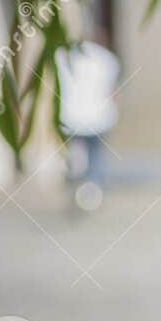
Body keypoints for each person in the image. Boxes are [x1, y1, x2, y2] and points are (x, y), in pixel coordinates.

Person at [54, 38, 120, 212]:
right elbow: (112, 90)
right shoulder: (106, 59)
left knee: (74, 155)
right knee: (95, 157)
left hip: (70, 117)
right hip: (98, 117)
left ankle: (77, 186)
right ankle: (92, 191)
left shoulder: (63, 56)